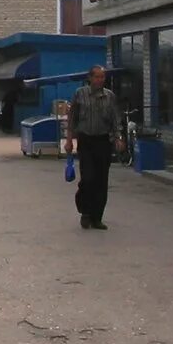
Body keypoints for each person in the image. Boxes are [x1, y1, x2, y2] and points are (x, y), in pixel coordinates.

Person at [64, 65, 124, 230]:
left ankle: (97, 217)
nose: (100, 80)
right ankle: (85, 212)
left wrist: (118, 138)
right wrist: (69, 140)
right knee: (88, 178)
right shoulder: (80, 94)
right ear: (90, 78)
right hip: (86, 141)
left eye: (102, 77)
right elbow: (72, 119)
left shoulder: (109, 97)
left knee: (101, 181)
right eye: (97, 77)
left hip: (103, 142)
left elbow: (115, 120)